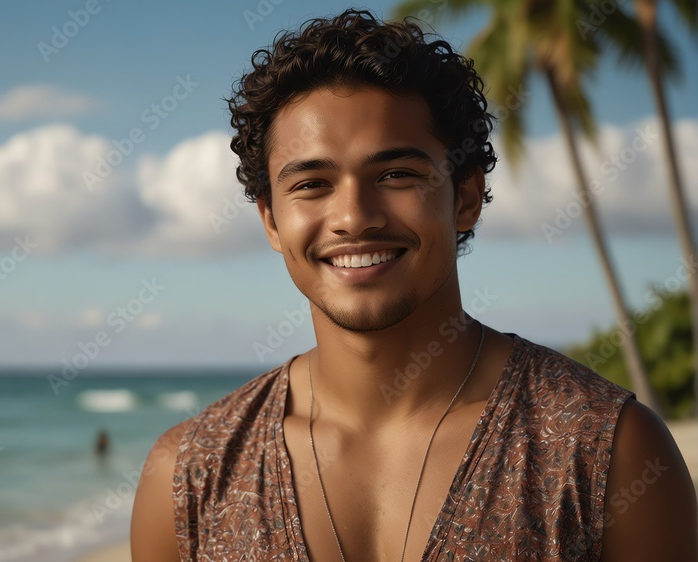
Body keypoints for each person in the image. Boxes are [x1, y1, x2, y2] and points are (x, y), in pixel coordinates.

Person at [130, 8, 697, 561]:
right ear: (272, 221)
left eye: (396, 175)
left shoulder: (607, 451)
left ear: (466, 197)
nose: (353, 217)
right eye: (312, 184)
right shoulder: (188, 476)